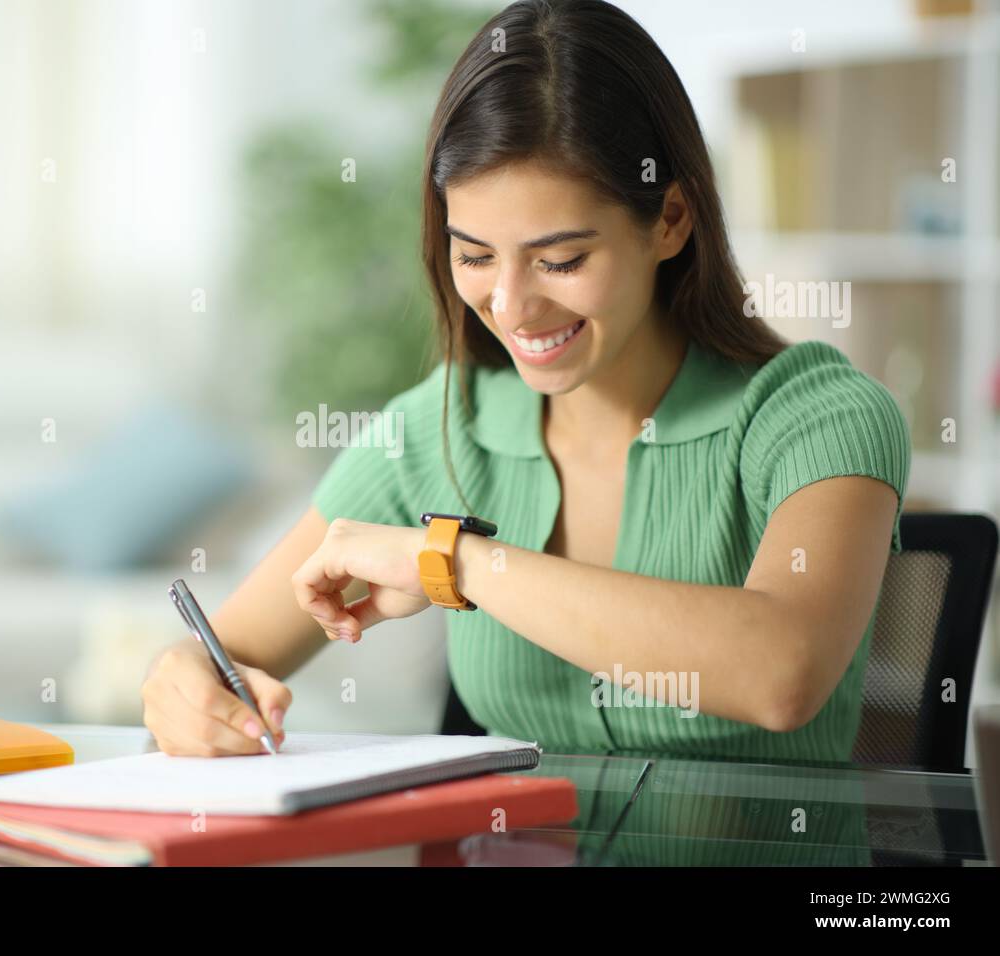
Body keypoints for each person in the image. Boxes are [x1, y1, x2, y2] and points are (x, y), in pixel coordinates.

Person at [141, 0, 909, 762]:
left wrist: (451, 562)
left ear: (670, 218)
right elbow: (220, 657)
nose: (510, 306)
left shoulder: (818, 417)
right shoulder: (436, 428)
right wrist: (180, 686)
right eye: (474, 256)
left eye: (560, 260)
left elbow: (782, 673)